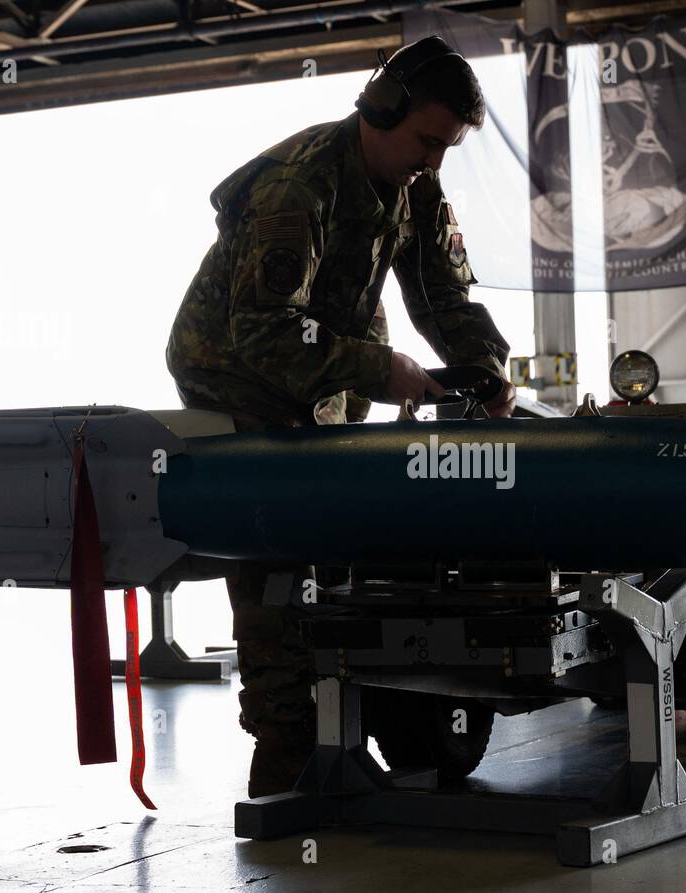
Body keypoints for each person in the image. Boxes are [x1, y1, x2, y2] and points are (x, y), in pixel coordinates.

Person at [165, 36, 516, 796]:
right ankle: (287, 762)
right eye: (427, 141)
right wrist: (378, 369)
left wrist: (488, 369)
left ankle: (352, 733)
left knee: (346, 556)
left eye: (447, 148)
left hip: (327, 377)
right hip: (236, 376)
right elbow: (262, 329)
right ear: (381, 109)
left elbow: (442, 295)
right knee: (280, 569)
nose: (434, 162)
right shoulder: (300, 188)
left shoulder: (414, 185)